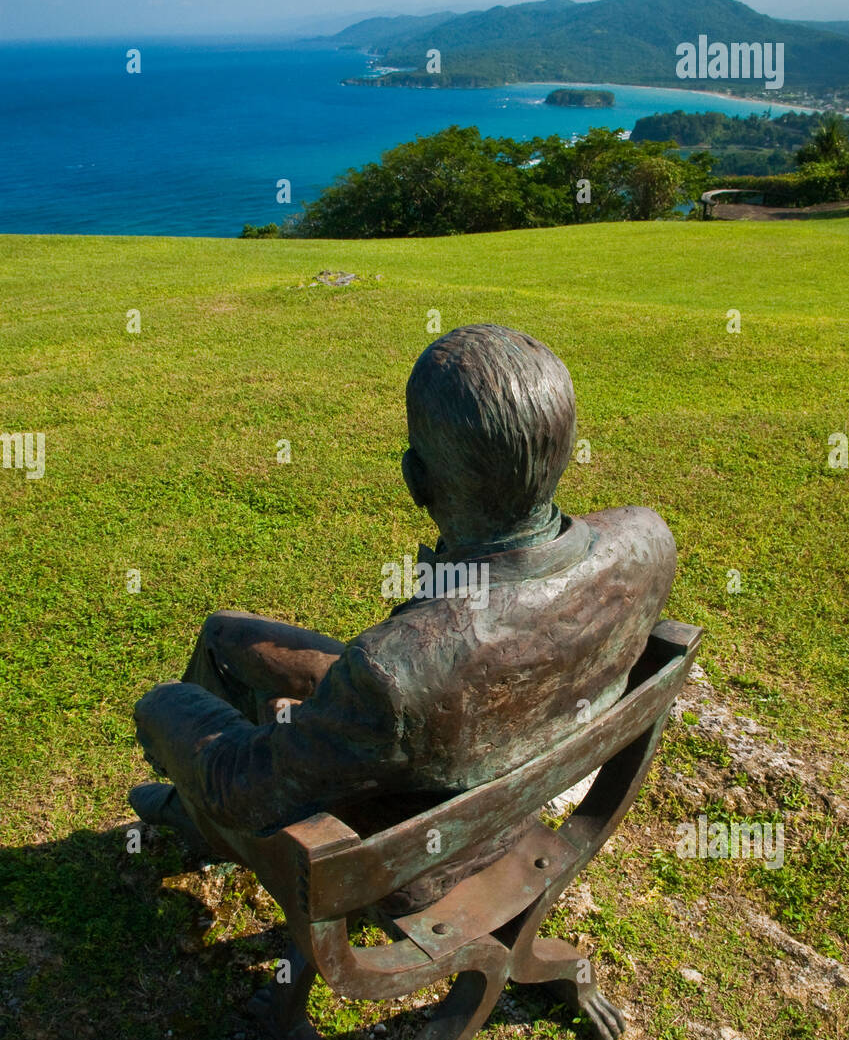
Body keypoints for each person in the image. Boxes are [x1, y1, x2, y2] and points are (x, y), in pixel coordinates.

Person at [131, 323, 676, 912]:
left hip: (420, 860)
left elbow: (243, 788)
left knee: (179, 716)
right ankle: (193, 811)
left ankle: (197, 817)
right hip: (484, 746)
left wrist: (166, 710)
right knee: (226, 635)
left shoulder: (390, 673)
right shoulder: (647, 540)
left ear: (417, 480)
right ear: (561, 452)